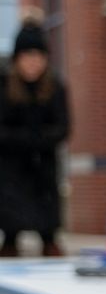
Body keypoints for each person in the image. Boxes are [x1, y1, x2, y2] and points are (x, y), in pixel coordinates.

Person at [0, 16, 71, 257]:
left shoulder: (55, 88)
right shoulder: (4, 87)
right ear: (17, 58)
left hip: (44, 164)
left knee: (47, 206)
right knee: (10, 207)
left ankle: (49, 239)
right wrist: (24, 140)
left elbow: (63, 127)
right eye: (27, 56)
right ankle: (9, 240)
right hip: (11, 165)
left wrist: (39, 140)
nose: (32, 63)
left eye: (37, 56)